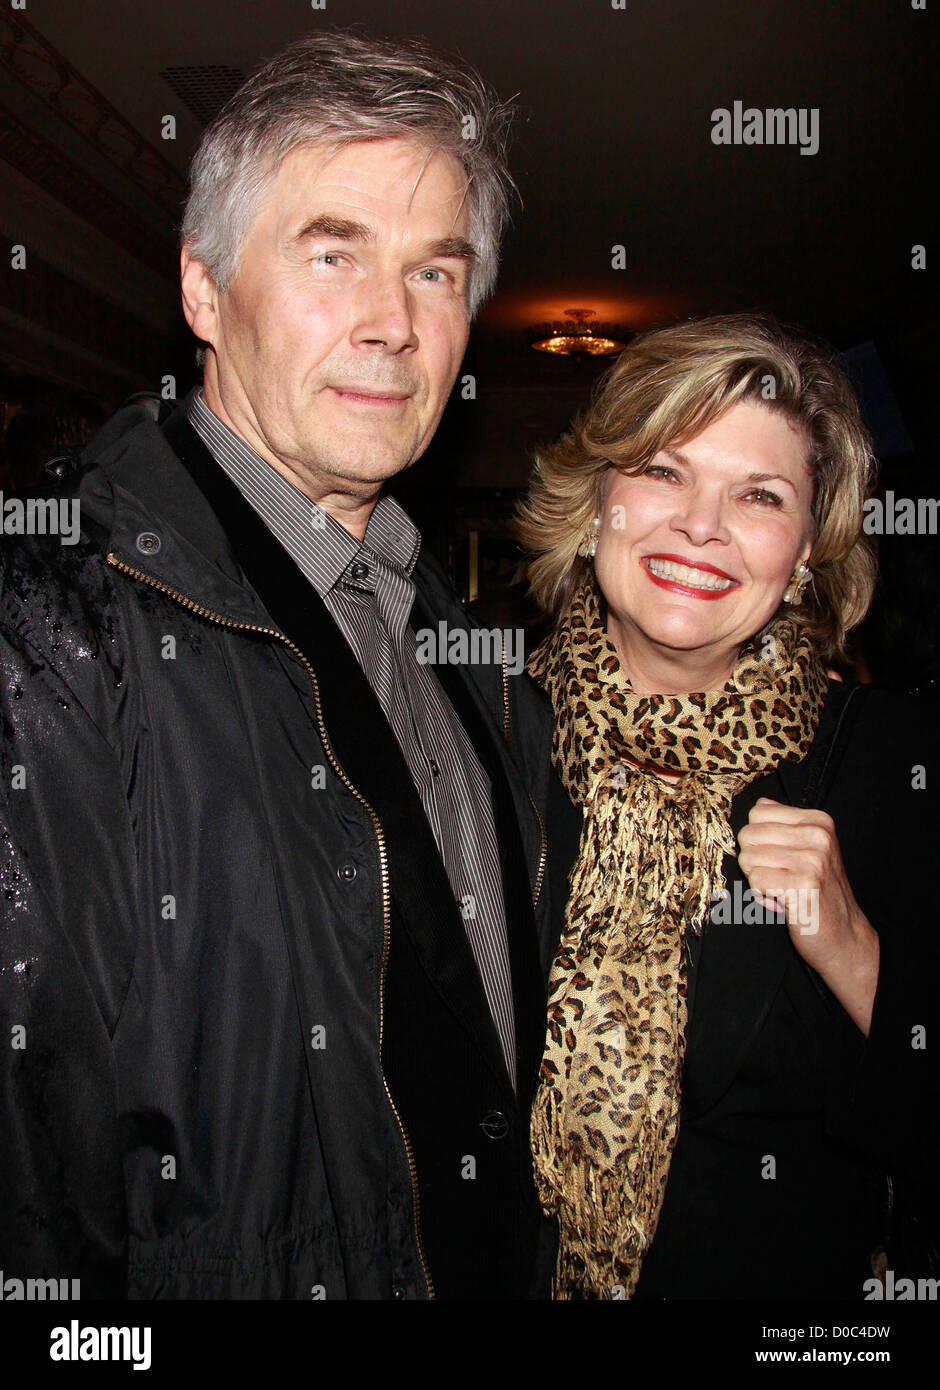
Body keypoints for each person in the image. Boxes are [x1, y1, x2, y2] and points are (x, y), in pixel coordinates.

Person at [0, 31, 564, 1300]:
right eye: (332, 254)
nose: (392, 323)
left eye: (434, 272)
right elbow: (30, 1175)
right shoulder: (56, 622)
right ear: (203, 293)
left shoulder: (456, 632)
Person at [517, 313, 939, 1299]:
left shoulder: (889, 763)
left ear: (803, 553)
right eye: (664, 471)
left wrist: (851, 946)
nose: (700, 524)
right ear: (596, 506)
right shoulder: (486, 734)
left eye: (758, 495)